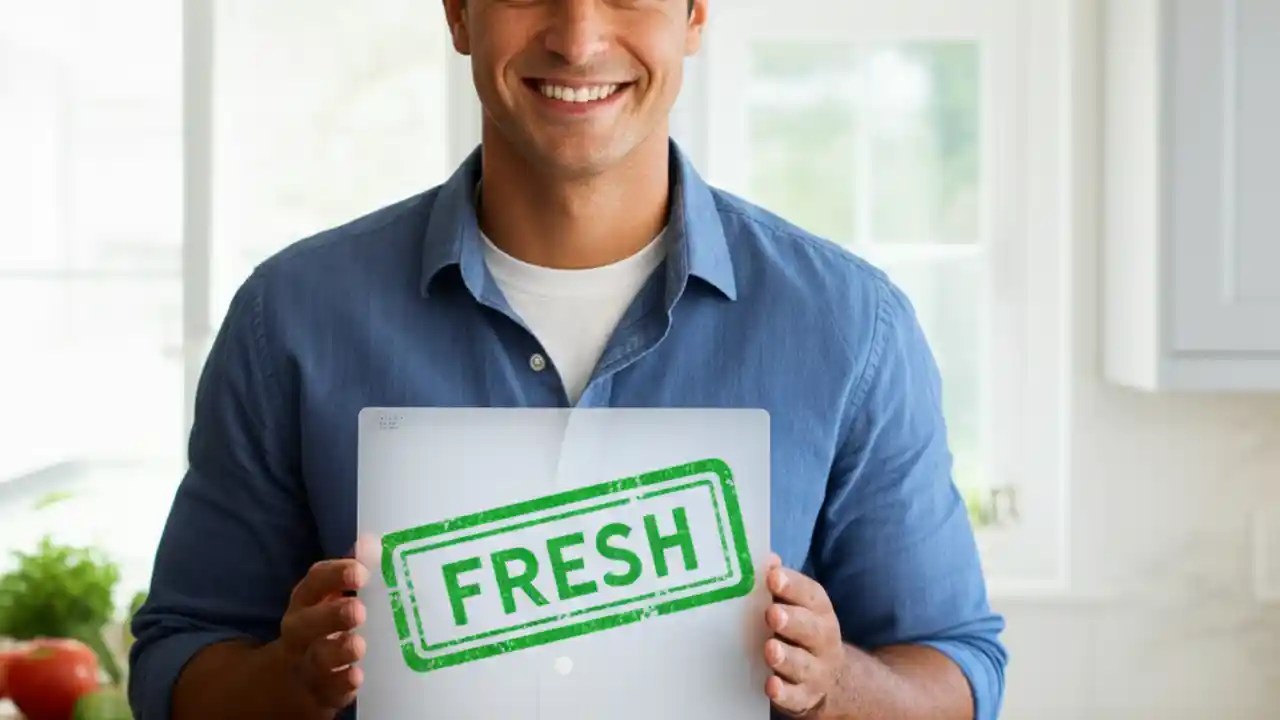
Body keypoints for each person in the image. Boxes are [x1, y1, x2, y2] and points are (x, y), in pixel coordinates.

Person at [128, 0, 1007, 718]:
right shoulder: (289, 320)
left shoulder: (854, 329)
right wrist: (292, 680)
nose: (579, 38)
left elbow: (960, 672)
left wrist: (834, 683)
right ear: (457, 13)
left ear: (695, 14)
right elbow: (177, 663)